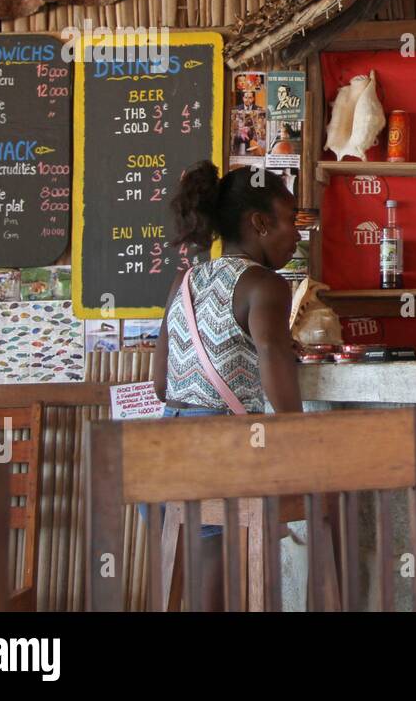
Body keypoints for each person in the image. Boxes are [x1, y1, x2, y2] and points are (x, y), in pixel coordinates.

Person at [150, 161, 302, 609]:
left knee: (185, 595)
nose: (296, 235)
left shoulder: (185, 280)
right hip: (219, 456)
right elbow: (275, 361)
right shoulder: (265, 285)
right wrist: (301, 439)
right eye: (290, 221)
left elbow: (161, 383)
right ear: (260, 223)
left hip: (164, 451)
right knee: (219, 597)